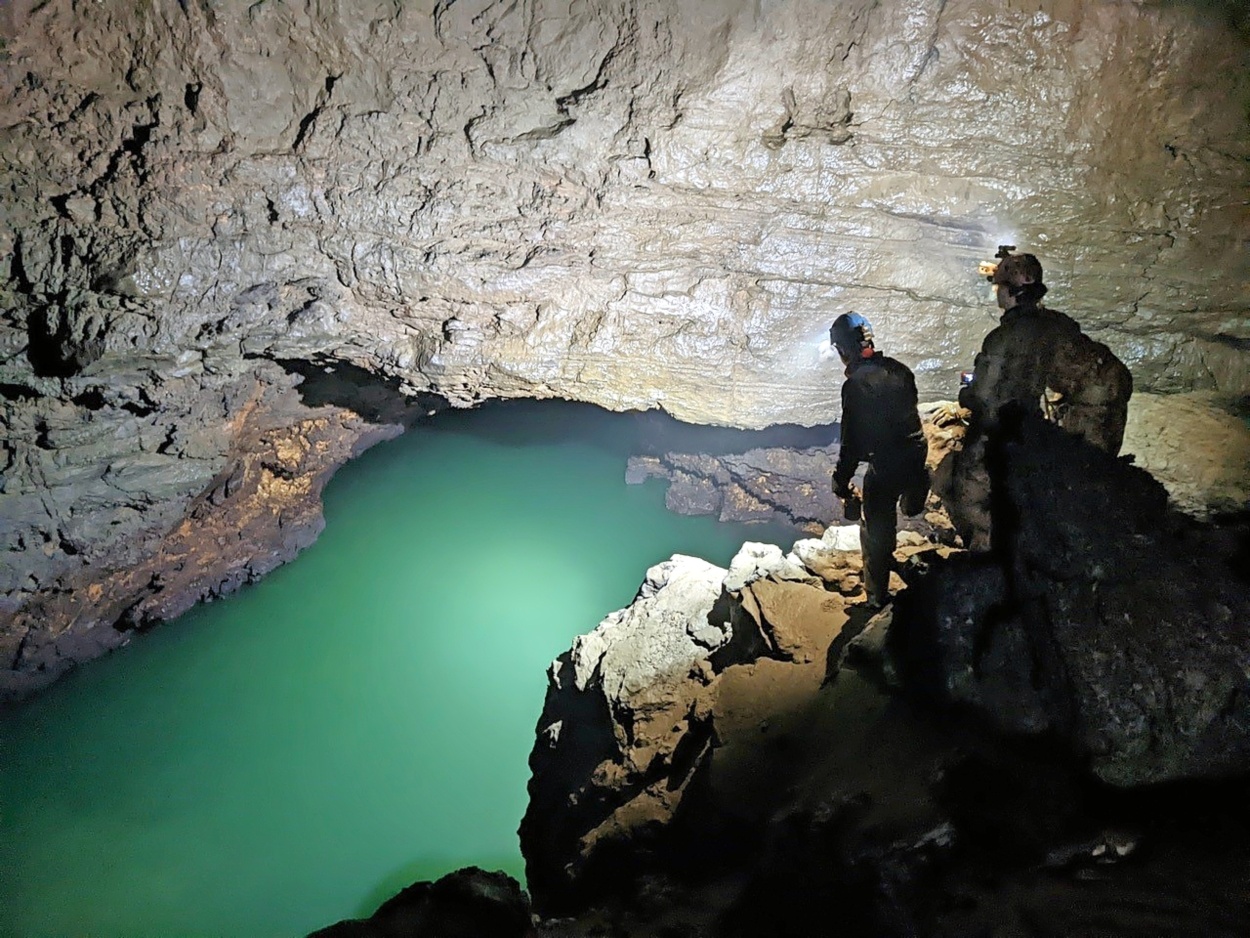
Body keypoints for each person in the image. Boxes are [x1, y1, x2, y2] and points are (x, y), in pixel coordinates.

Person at [939, 249, 1133, 549]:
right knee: (1075, 482)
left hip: (1094, 407)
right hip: (1108, 395)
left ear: (1010, 291)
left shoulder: (1007, 336)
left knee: (972, 477)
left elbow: (991, 399)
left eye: (999, 287)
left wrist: (967, 397)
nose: (996, 294)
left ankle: (993, 548)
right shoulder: (1053, 322)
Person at [829, 313, 930, 608]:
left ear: (843, 350)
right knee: (906, 493)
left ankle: (875, 598)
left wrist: (841, 479)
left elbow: (851, 442)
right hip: (916, 450)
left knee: (876, 526)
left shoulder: (856, 385)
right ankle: (915, 493)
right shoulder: (900, 370)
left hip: (888, 463)